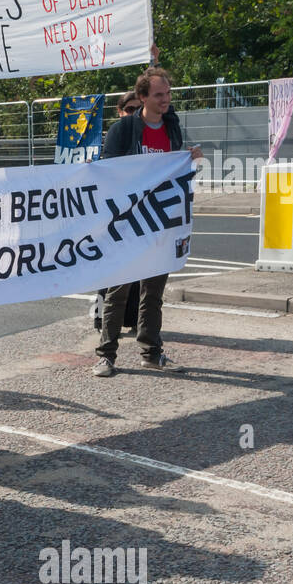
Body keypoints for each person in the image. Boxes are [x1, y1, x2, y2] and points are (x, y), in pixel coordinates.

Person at [92, 67, 202, 378]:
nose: (165, 100)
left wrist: (188, 157)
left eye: (168, 94)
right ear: (143, 98)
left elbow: (173, 168)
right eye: (158, 95)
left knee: (153, 293)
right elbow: (109, 171)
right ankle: (106, 355)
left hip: (162, 222)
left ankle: (152, 353)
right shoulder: (124, 129)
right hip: (129, 223)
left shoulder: (172, 125)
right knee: (118, 290)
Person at [92, 92, 142, 333]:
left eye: (137, 108)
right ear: (120, 111)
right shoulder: (118, 132)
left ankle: (132, 319)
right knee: (110, 269)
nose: (133, 113)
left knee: (137, 269)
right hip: (114, 209)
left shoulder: (144, 133)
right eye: (129, 109)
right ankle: (102, 318)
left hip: (139, 209)